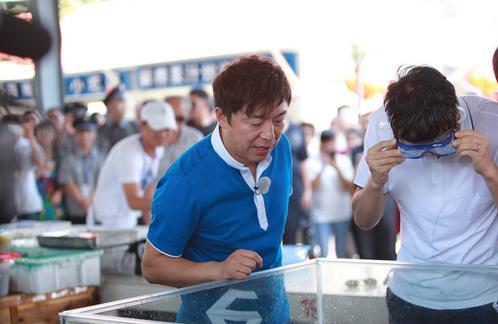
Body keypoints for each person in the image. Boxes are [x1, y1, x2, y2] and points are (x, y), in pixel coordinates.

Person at [142, 55, 293, 323]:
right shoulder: (185, 180)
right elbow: (153, 266)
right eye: (256, 122)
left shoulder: (282, 150)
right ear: (221, 116)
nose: (269, 134)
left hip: (274, 313)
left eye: (279, 120)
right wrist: (220, 269)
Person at [353, 66, 498, 323]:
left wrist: (489, 171)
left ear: (456, 116)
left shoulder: (492, 120)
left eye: (440, 144)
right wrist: (375, 182)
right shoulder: (381, 124)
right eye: (415, 149)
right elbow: (364, 221)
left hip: (483, 296)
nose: (430, 154)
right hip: (409, 294)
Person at [90, 101, 176, 228]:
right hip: (106, 222)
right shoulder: (129, 152)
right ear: (142, 125)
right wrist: (171, 204)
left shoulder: (158, 150)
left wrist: (151, 229)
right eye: (156, 128)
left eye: (166, 129)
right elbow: (134, 201)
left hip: (128, 220)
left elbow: (148, 191)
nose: (162, 135)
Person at [308, 130, 354, 258]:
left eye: (332, 142)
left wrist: (336, 168)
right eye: (327, 142)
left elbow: (348, 187)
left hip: (341, 213)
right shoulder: (313, 161)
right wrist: (322, 166)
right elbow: (312, 187)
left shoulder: (344, 160)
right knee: (323, 254)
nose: (330, 146)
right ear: (322, 144)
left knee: (341, 252)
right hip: (320, 215)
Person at [58, 118, 105, 224]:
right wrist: (82, 201)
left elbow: (103, 181)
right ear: (75, 135)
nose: (84, 136)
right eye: (80, 132)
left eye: (88, 132)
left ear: (94, 134)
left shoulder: (101, 157)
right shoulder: (68, 157)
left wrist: (91, 201)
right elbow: (67, 182)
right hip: (75, 210)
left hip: (98, 208)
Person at [2, 114, 45, 220]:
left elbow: (40, 162)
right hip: (4, 206)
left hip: (28, 205)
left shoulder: (27, 145)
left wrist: (31, 136)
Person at [156, 95, 202, 179]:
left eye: (179, 119)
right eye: (170, 118)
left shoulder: (195, 138)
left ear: (188, 116)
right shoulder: (151, 137)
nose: (173, 123)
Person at [98, 85, 139, 152]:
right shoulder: (102, 130)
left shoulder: (135, 126)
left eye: (123, 101)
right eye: (119, 101)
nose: (123, 105)